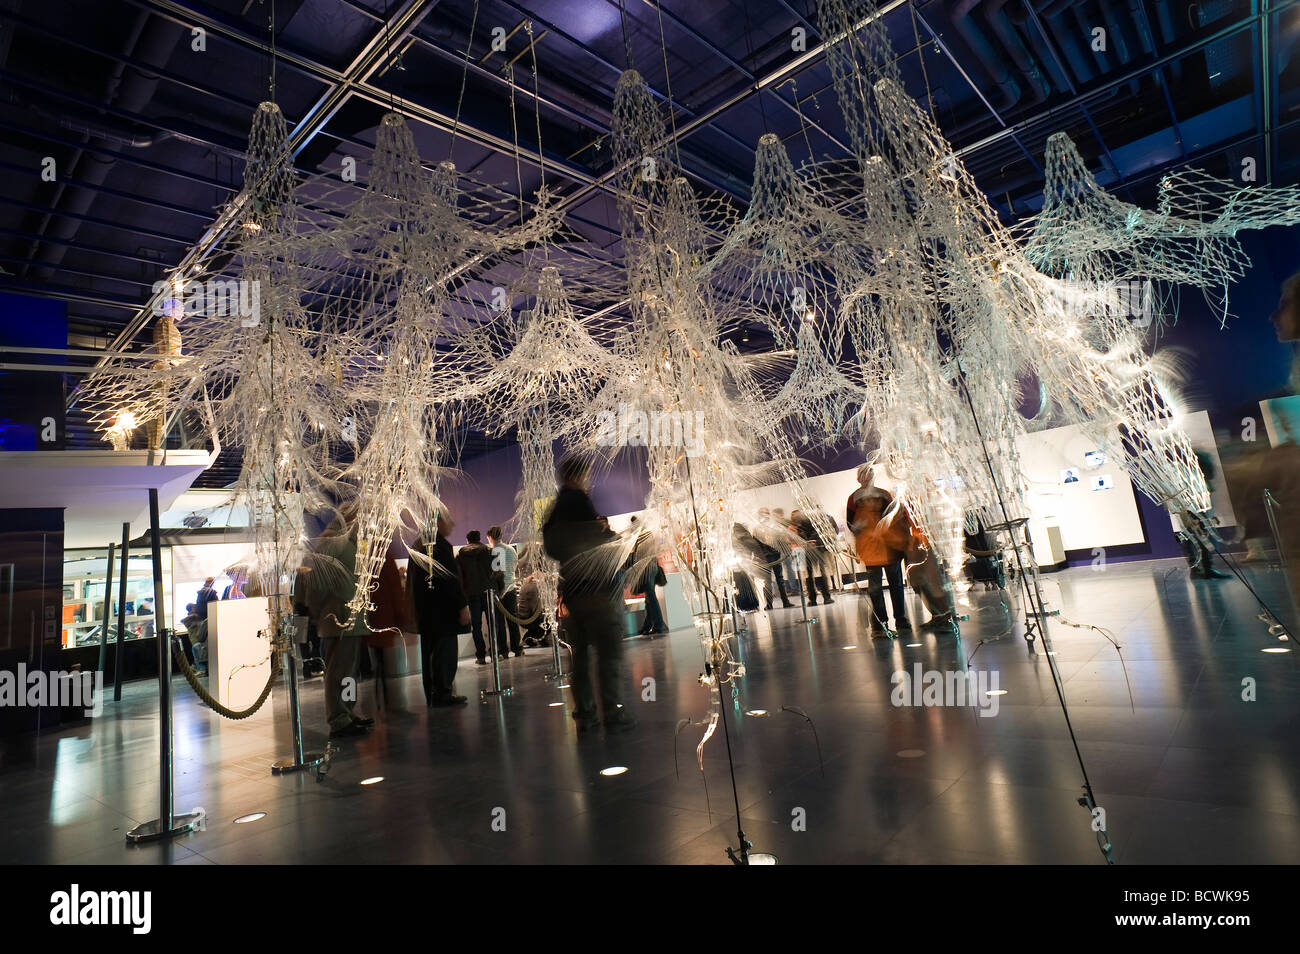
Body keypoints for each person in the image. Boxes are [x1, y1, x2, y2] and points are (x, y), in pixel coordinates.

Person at [543, 456, 635, 734]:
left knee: (579, 658)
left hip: (573, 590)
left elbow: (553, 548)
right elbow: (594, 541)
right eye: (587, 475)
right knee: (609, 653)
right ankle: (613, 714)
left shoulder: (556, 508)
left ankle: (584, 714)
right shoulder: (579, 503)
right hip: (596, 589)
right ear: (580, 475)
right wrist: (613, 539)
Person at [302, 514, 375, 740]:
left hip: (351, 619)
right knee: (339, 672)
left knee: (349, 672)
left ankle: (347, 712)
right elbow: (317, 582)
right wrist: (315, 611)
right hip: (338, 619)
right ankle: (338, 719)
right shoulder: (333, 543)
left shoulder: (350, 543)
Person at [408, 512, 470, 707]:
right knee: (445, 651)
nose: (452, 525)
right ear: (437, 522)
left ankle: (433, 693)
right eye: (448, 521)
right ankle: (443, 692)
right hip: (443, 612)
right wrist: (461, 605)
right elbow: (450, 579)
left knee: (429, 653)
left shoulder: (419, 544)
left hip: (426, 612)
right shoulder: (439, 546)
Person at [846, 464, 912, 637]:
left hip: (889, 548)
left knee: (894, 585)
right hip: (872, 550)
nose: (867, 478)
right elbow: (852, 524)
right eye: (864, 475)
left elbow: (895, 517)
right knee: (877, 588)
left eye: (869, 474)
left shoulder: (883, 494)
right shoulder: (854, 498)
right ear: (859, 478)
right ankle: (882, 624)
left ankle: (899, 619)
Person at [456, 530, 495, 663]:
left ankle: (480, 656)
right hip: (488, 592)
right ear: (479, 539)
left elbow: (459, 577)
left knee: (476, 626)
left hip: (471, 594)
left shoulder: (461, 554)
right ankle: (495, 653)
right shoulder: (489, 551)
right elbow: (495, 572)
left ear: (467, 540)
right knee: (492, 623)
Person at [487, 526, 524, 656]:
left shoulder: (495, 550)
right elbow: (514, 568)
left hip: (500, 591)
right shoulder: (511, 550)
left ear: (490, 537)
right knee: (513, 620)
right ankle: (517, 648)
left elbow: (497, 573)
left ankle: (503, 650)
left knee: (500, 622)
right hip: (512, 588)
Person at [628, 516, 668, 635]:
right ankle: (648, 625)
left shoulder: (641, 536)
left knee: (651, 598)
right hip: (651, 568)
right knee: (649, 598)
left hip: (647, 569)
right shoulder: (647, 534)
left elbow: (640, 555)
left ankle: (658, 625)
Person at [752, 508, 796, 607]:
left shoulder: (761, 528)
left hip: (770, 557)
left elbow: (756, 544)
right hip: (769, 557)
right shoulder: (767, 528)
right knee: (773, 580)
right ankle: (777, 603)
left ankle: (775, 603)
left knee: (774, 580)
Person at [791, 509, 834, 605]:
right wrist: (813, 541)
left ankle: (813, 599)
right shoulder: (820, 515)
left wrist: (807, 541)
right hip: (816, 547)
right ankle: (826, 597)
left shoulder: (801, 516)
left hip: (808, 547)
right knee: (820, 572)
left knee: (810, 574)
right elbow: (823, 529)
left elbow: (800, 531)